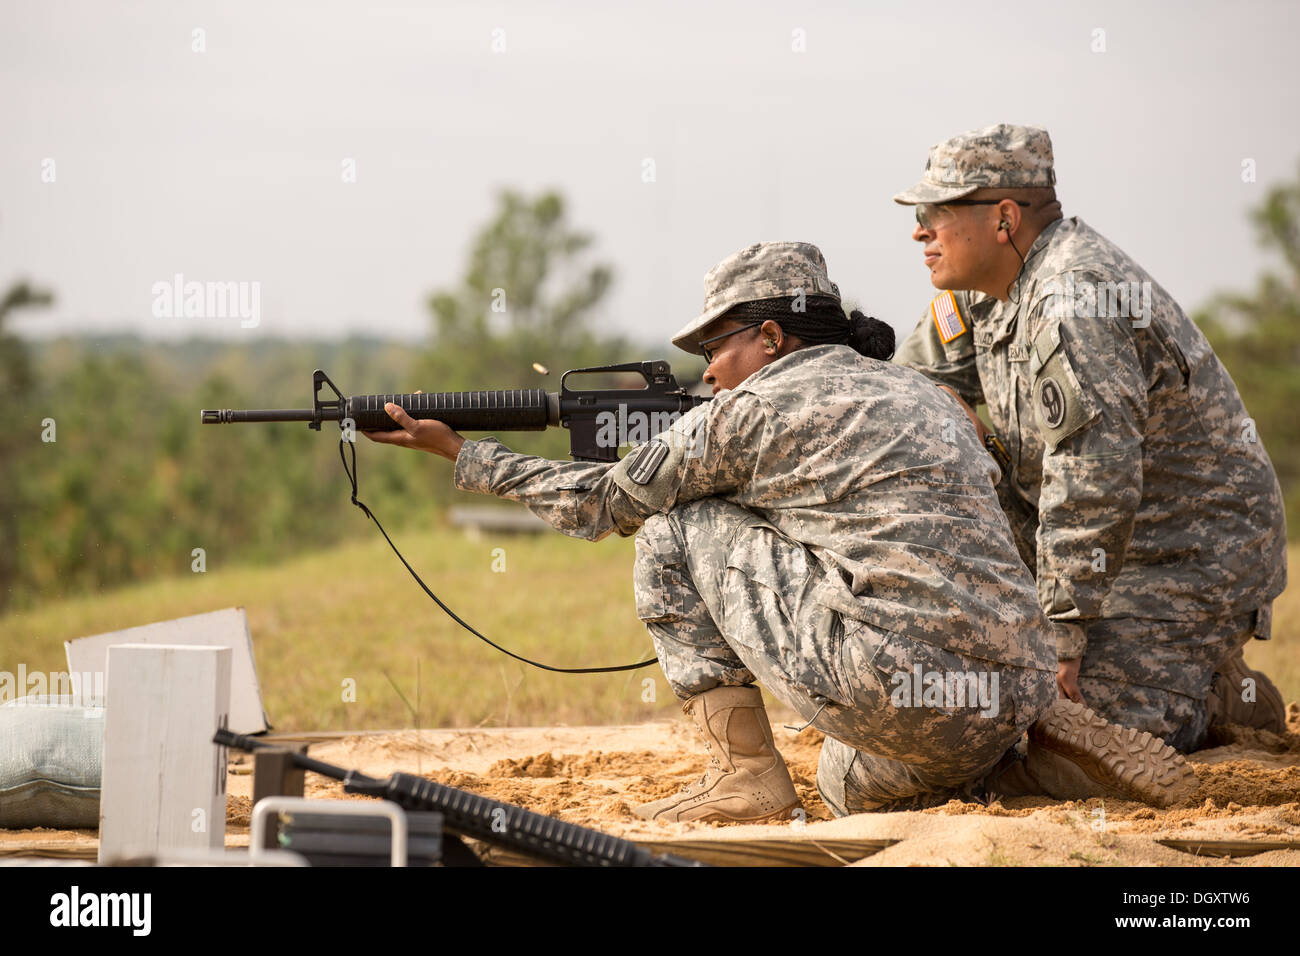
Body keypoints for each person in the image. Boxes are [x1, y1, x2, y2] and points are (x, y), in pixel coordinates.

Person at [364, 241, 1197, 820]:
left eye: (715, 347)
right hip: (1002, 690)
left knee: (671, 524)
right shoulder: (918, 392)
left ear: (770, 337)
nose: (708, 372)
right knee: (845, 783)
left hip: (890, 680)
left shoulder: (750, 410)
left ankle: (746, 779)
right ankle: (1018, 761)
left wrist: (464, 455)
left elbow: (601, 508)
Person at [892, 124, 1288, 755]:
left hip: (1181, 558)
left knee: (1067, 743)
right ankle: (1182, 674)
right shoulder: (980, 294)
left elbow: (1095, 473)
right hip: (1104, 545)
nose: (919, 230)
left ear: (1002, 218)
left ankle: (1210, 690)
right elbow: (904, 393)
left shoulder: (1075, 296)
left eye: (936, 212)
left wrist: (1061, 633)